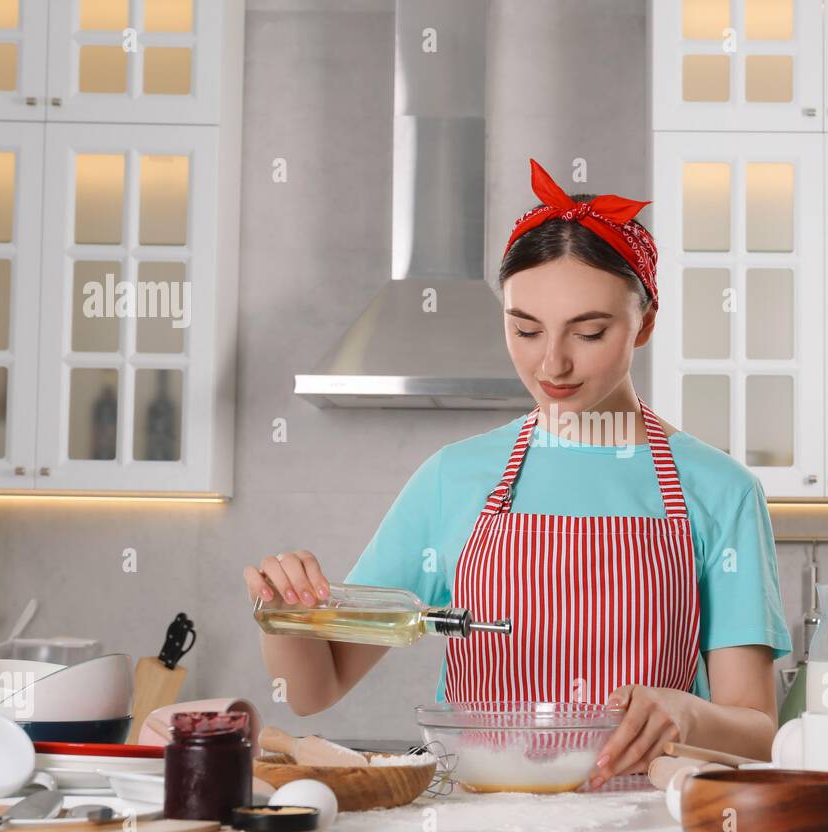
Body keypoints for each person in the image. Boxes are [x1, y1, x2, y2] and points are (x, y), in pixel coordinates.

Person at [244, 158, 791, 788]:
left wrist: (688, 713)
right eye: (525, 329)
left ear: (645, 322)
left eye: (588, 331)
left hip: (645, 831)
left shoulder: (720, 490)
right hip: (480, 831)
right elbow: (317, 688)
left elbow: (758, 733)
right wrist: (281, 611)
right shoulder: (454, 479)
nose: (551, 362)